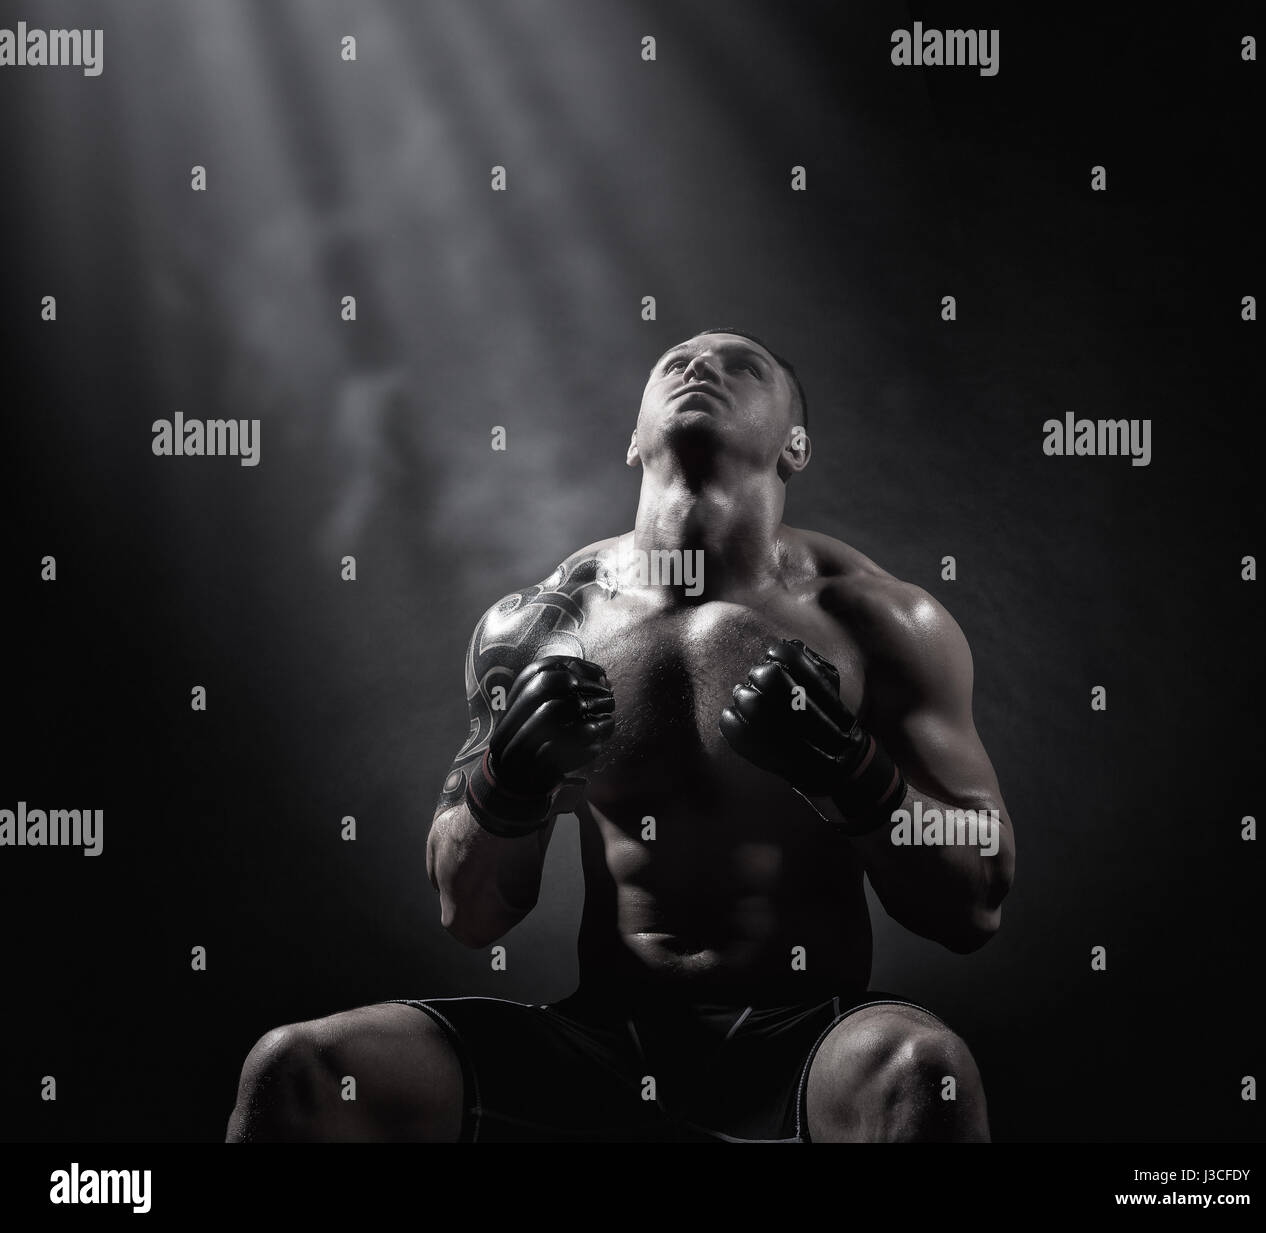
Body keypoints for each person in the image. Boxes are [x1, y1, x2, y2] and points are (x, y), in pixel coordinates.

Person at [226, 328, 1015, 1143]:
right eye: (676, 363)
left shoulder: (879, 621)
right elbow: (469, 910)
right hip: (599, 1046)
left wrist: (855, 774)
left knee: (927, 1076)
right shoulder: (540, 626)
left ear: (797, 444)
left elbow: (976, 900)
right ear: (633, 438)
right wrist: (507, 780)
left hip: (801, 1043)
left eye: (741, 365)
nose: (701, 366)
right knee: (296, 1070)